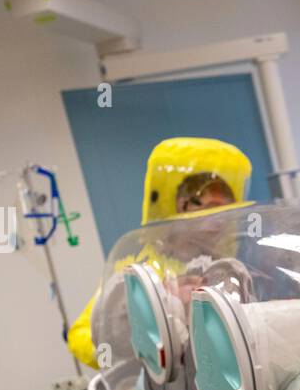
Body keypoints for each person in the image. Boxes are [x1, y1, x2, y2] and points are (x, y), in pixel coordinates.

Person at [66, 138, 252, 369]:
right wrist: (141, 336)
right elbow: (82, 335)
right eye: (209, 208)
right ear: (181, 206)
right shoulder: (141, 267)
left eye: (226, 210)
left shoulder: (226, 268)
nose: (219, 222)